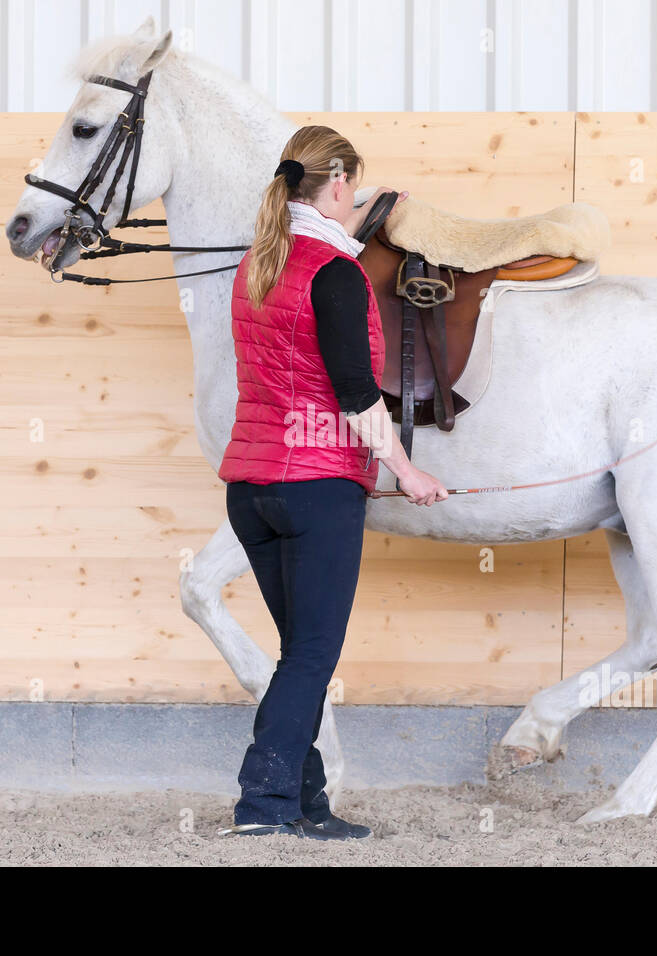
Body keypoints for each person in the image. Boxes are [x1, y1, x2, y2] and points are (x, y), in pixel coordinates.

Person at [216, 126, 448, 840]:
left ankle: (305, 805)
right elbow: (353, 392)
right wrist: (406, 470)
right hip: (316, 487)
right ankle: (262, 807)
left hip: (252, 486)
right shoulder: (335, 272)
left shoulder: (258, 262)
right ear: (340, 184)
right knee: (311, 658)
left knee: (300, 660)